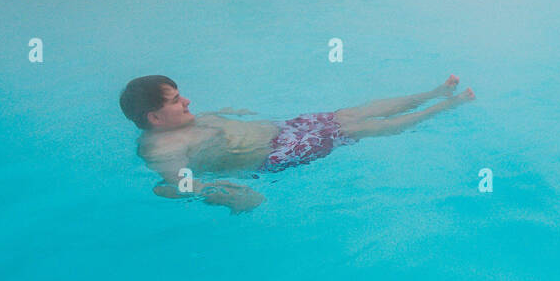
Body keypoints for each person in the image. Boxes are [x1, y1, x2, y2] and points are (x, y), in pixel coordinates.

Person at [119, 75, 474, 213]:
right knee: (361, 128)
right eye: (177, 100)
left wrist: (230, 112)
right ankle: (448, 105)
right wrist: (230, 195)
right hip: (279, 153)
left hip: (284, 127)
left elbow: (210, 125)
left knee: (349, 114)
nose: (188, 102)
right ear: (154, 118)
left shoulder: (186, 121)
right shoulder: (159, 150)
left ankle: (432, 92)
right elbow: (181, 183)